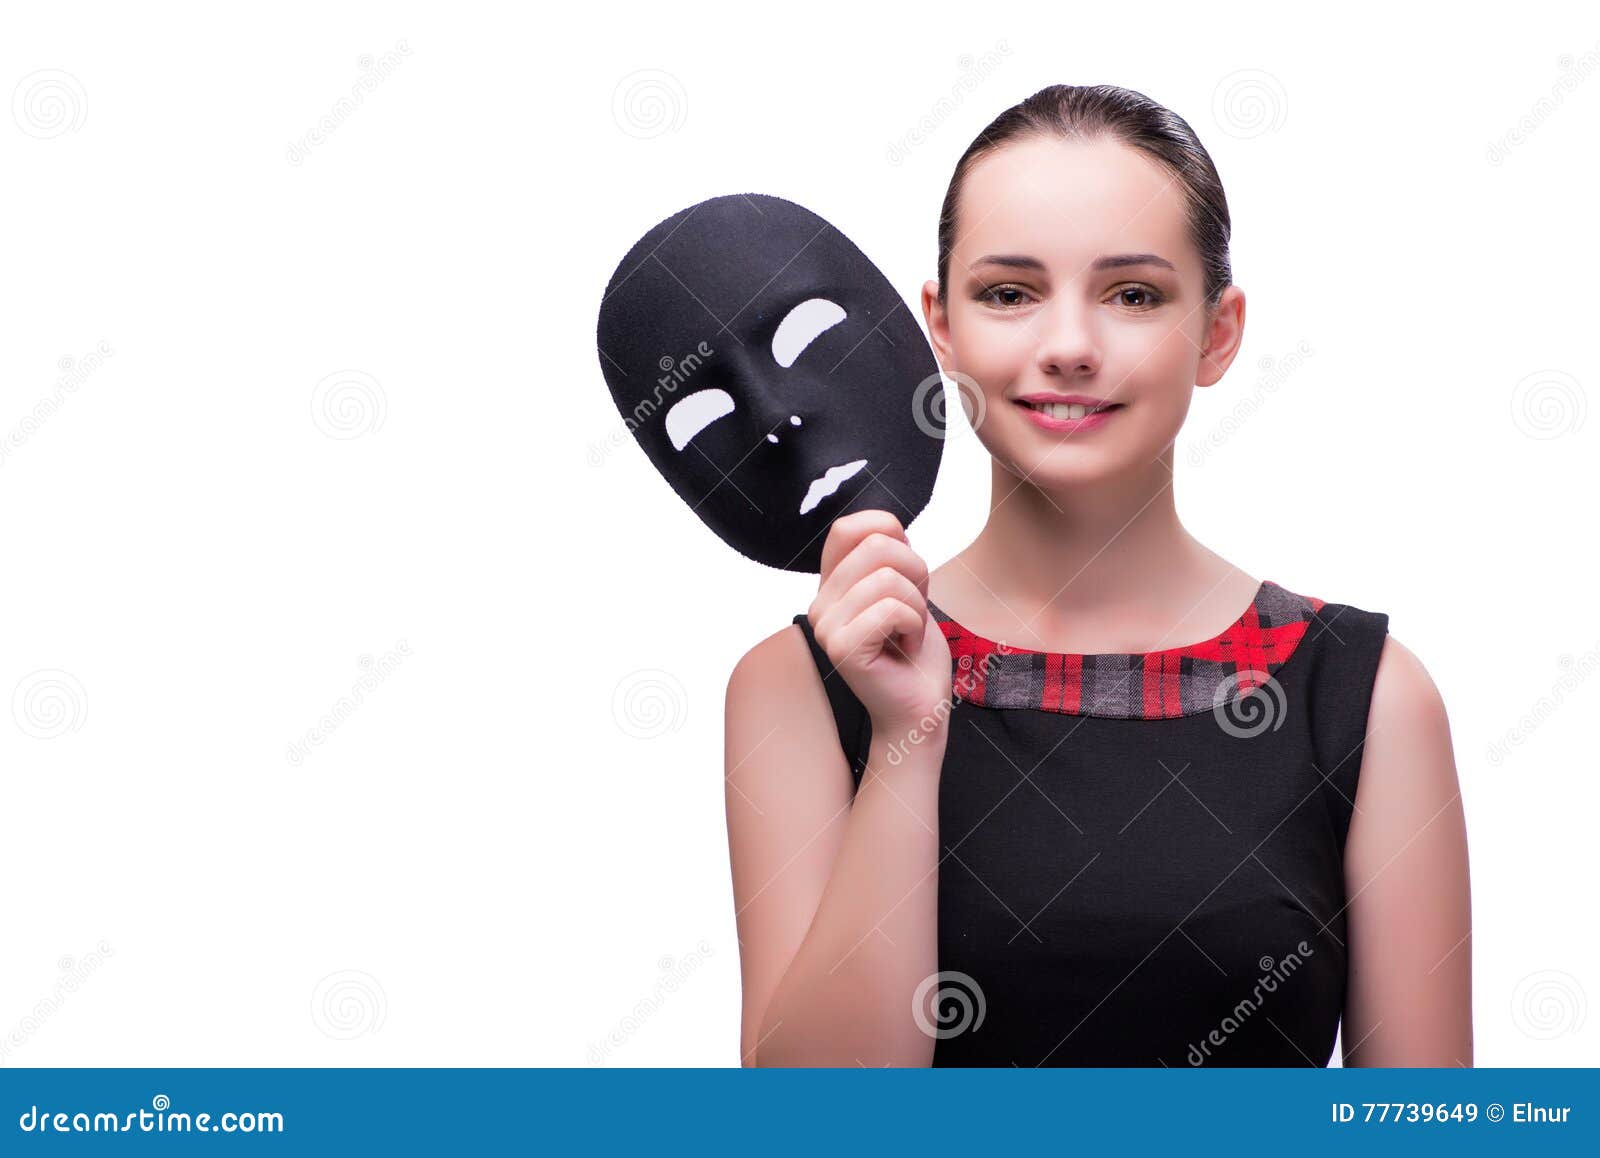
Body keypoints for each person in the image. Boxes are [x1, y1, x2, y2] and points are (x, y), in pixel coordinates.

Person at [723, 84, 1471, 1067]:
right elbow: (808, 1125)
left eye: (1132, 296)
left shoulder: (1367, 696)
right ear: (938, 327)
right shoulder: (802, 685)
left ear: (1217, 332)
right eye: (1008, 294)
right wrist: (907, 735)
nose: (1069, 348)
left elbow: (1427, 1128)